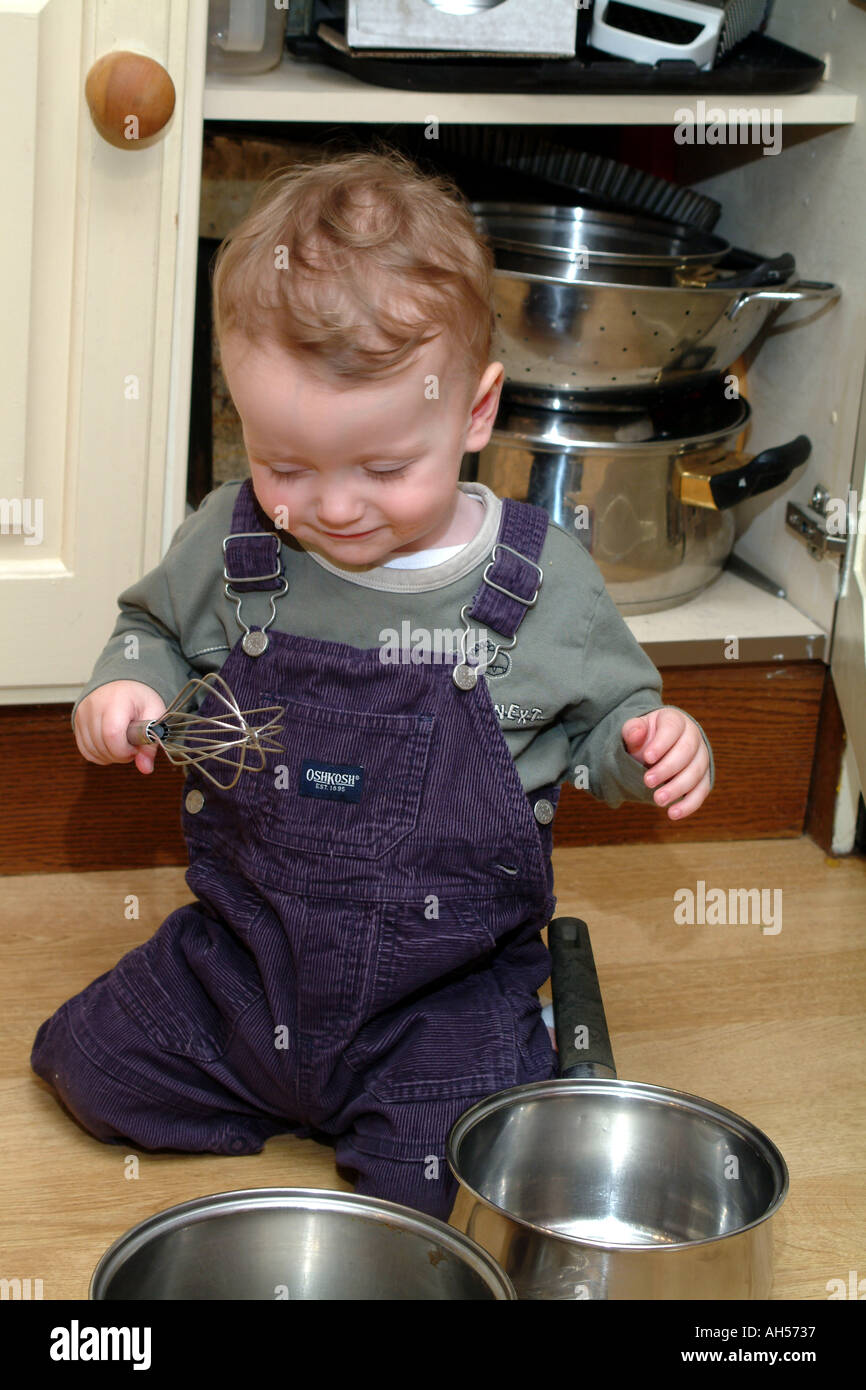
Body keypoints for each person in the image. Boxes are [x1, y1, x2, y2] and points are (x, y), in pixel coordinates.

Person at [31, 147, 714, 1221]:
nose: (333, 507)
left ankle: (413, 1105)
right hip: (245, 969)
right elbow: (150, 627)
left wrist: (648, 747)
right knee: (86, 1064)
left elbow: (602, 729)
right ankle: (284, 1090)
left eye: (384, 468)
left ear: (476, 411)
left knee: (461, 1177)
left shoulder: (535, 586)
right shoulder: (235, 542)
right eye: (283, 463)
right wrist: (120, 692)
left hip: (431, 1003)